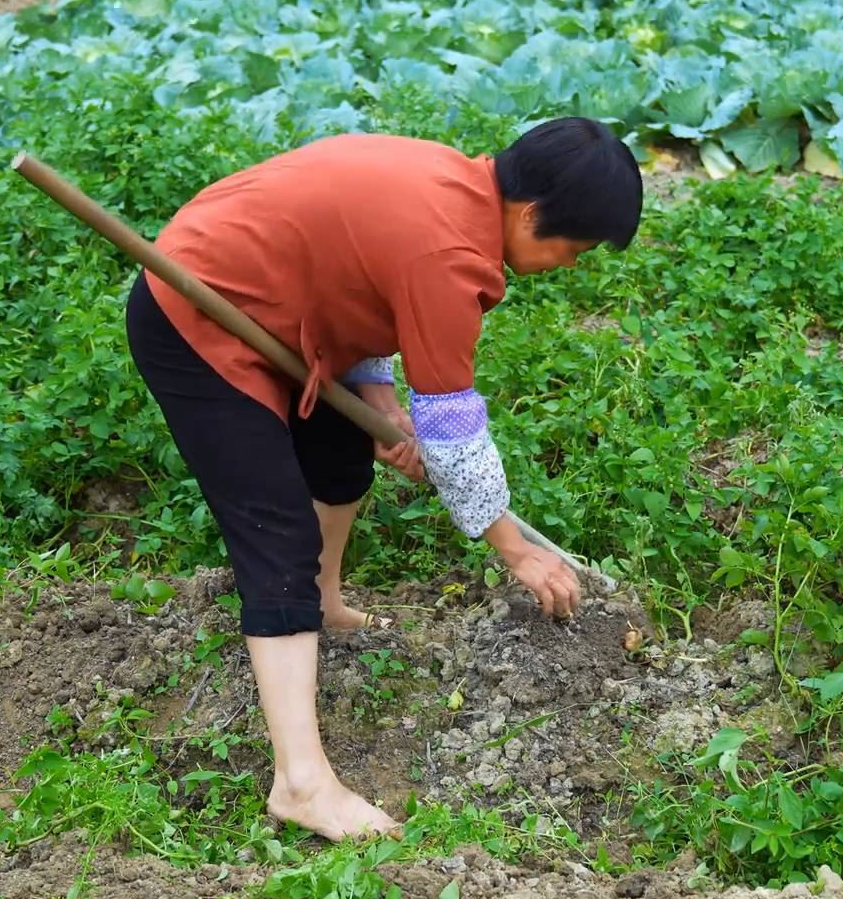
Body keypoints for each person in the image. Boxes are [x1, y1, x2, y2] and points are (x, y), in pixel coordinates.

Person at [123, 117, 643, 841]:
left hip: (277, 304)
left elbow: (353, 274)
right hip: (202, 310)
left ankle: (325, 605)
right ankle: (301, 783)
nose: (571, 264)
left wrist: (379, 398)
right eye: (573, 247)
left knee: (339, 458)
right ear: (529, 214)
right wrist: (517, 549)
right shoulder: (449, 253)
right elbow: (455, 433)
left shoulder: (453, 185)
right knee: (276, 537)